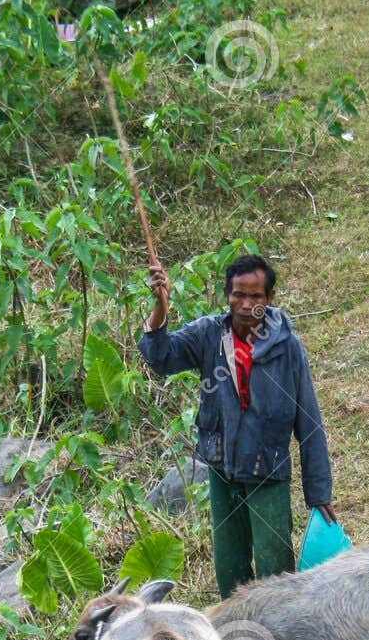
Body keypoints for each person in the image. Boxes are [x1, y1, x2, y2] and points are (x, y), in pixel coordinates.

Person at [138, 253, 337, 597]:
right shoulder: (209, 336)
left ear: (269, 299)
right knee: (230, 569)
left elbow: (309, 419)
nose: (246, 305)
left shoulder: (287, 346)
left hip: (267, 474)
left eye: (255, 297)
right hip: (222, 472)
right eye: (238, 295)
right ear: (226, 296)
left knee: (274, 569)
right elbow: (161, 357)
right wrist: (161, 306)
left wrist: (318, 493)